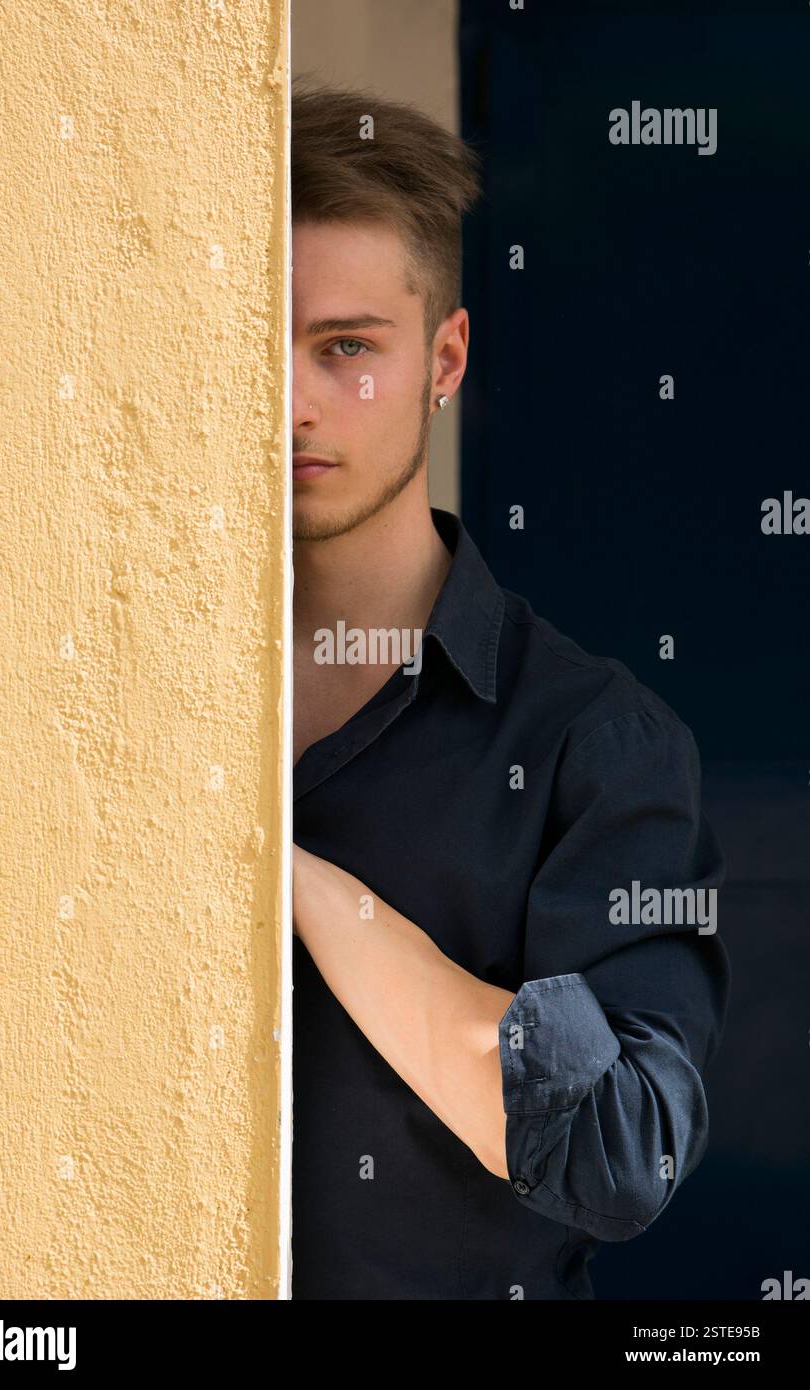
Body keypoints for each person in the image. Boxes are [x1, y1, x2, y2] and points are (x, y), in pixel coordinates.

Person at [289, 79, 730, 1300]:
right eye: (248, 344)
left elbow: (623, 1150)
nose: (291, 403)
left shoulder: (598, 743)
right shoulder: (124, 696)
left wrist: (298, 884)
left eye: (346, 349)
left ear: (446, 359)